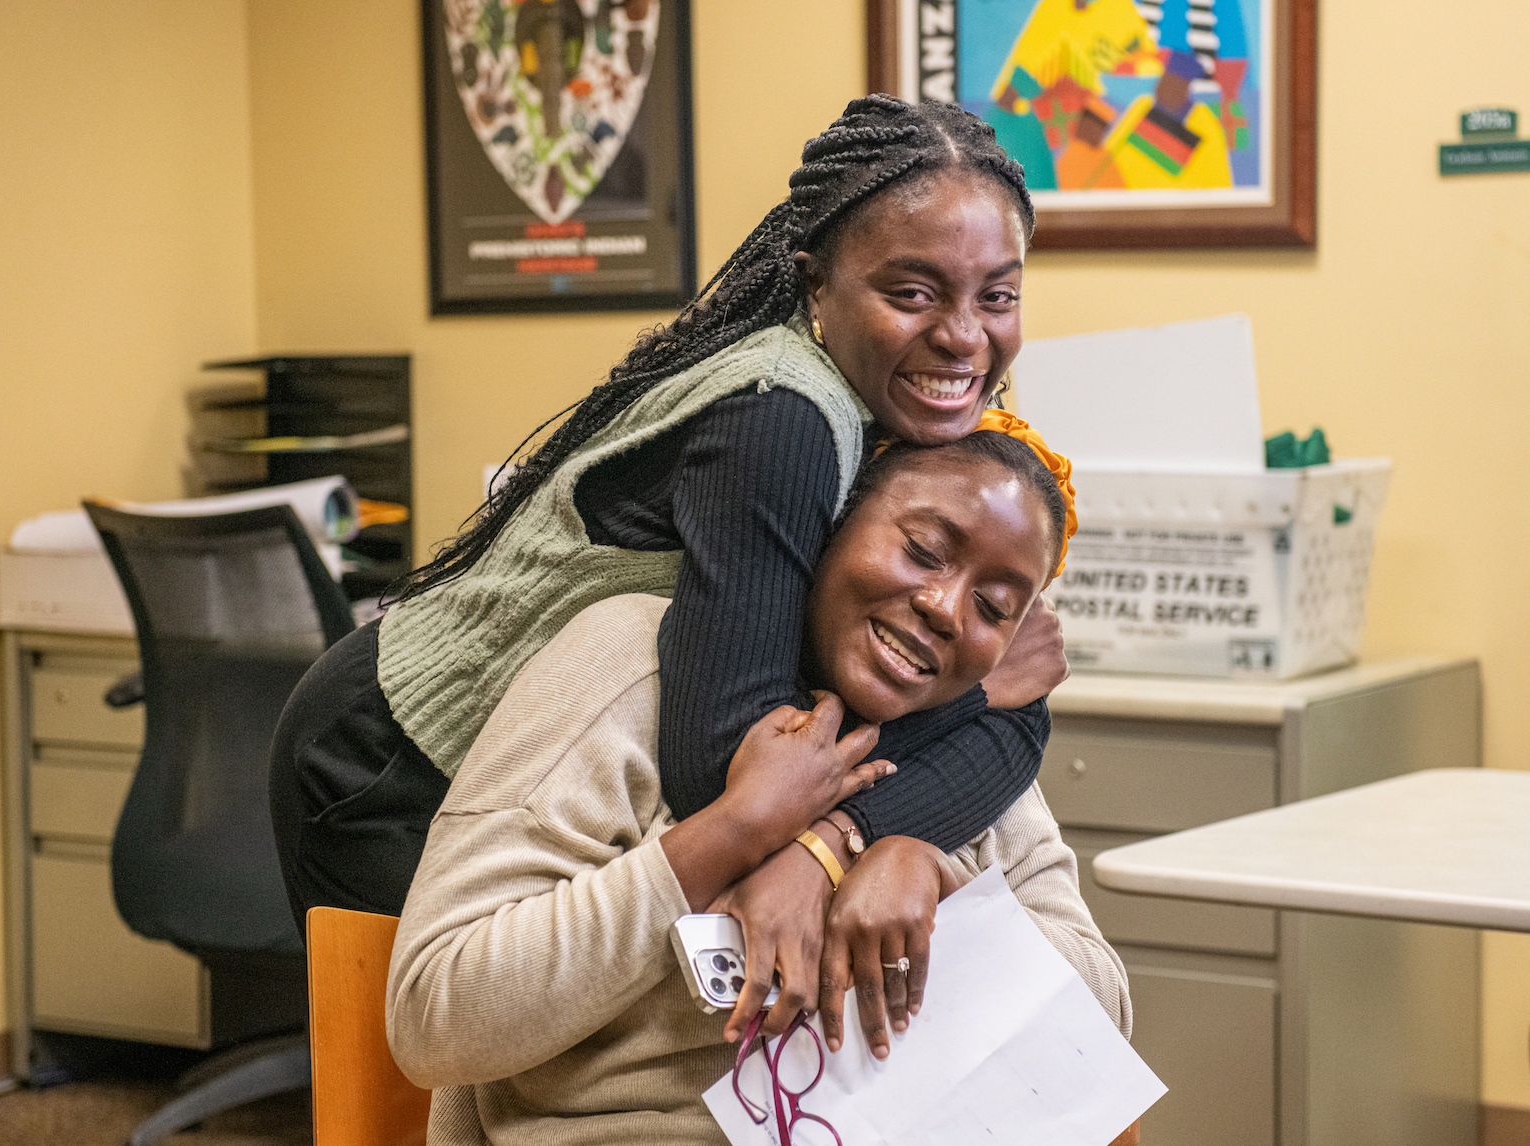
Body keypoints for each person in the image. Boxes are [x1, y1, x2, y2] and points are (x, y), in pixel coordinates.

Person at [270, 94, 1067, 978]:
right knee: (405, 1099)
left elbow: (1017, 726)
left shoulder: (899, 419)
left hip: (528, 768)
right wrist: (975, 703)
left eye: (998, 295)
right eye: (911, 292)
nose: (963, 336)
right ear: (815, 284)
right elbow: (731, 775)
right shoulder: (782, 421)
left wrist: (883, 816)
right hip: (386, 759)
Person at [387, 426, 1126, 1146]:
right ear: (826, 525)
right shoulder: (627, 665)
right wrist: (727, 836)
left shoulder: (967, 743)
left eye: (994, 608)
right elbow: (436, 1015)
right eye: (923, 551)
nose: (944, 607)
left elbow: (1106, 1012)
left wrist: (940, 880)